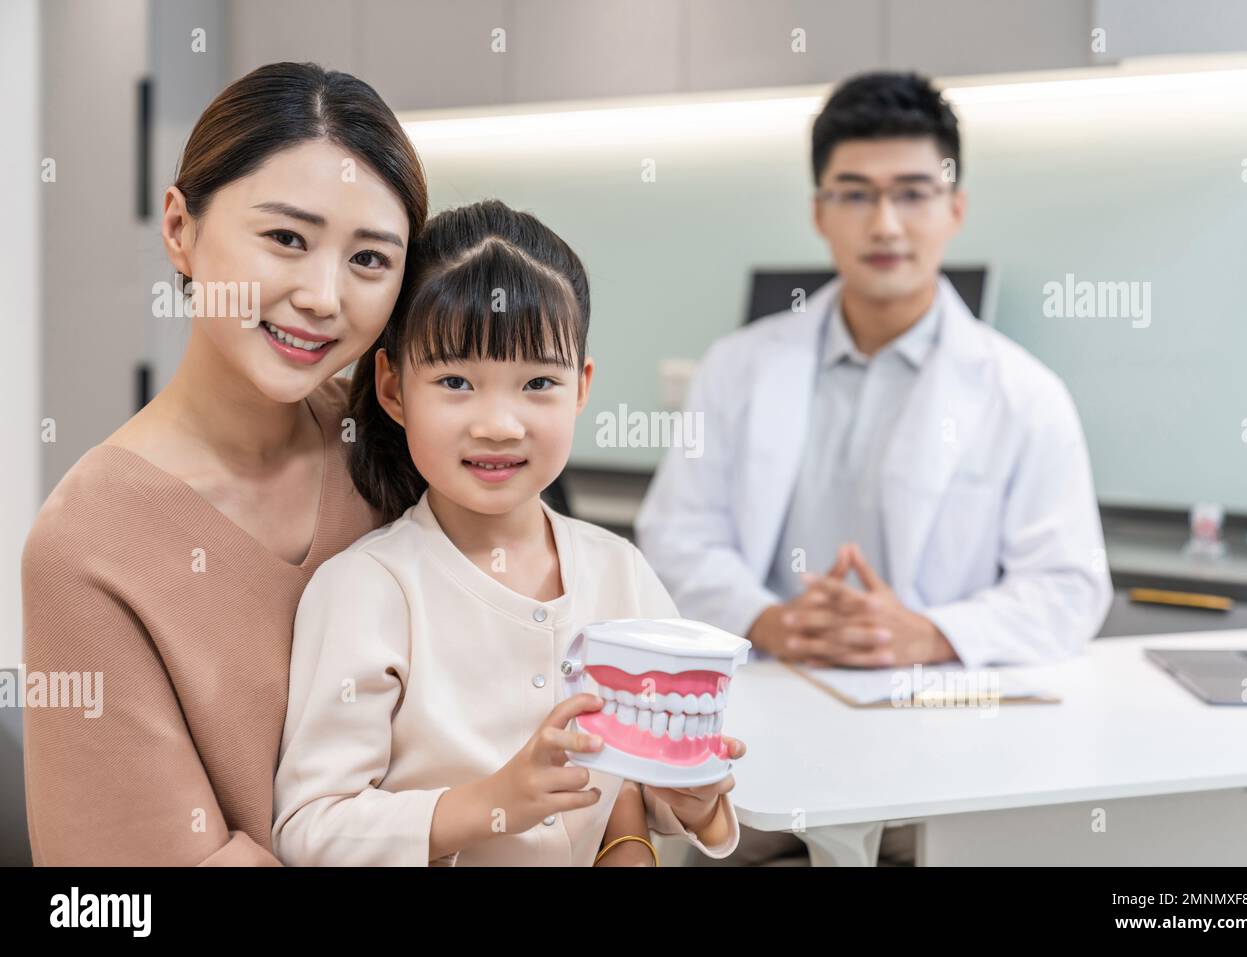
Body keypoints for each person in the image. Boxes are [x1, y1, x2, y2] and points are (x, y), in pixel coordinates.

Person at [635, 72, 1112, 866]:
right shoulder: (739, 367)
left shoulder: (1024, 394)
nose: (885, 222)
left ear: (955, 207)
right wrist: (769, 618)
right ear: (819, 210)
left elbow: (1068, 584)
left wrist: (927, 632)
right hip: (764, 725)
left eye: (914, 192)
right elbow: (673, 536)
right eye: (854, 194)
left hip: (940, 741)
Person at [21, 62, 427, 865]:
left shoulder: (402, 447)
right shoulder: (87, 546)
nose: (322, 295)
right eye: (286, 238)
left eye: (369, 260)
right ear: (180, 227)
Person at [272, 201, 744, 866]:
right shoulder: (367, 588)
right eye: (457, 381)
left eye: (538, 383)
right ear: (393, 387)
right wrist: (492, 800)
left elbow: (646, 777)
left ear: (581, 388)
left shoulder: (620, 570)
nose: (499, 424)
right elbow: (310, 826)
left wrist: (696, 800)